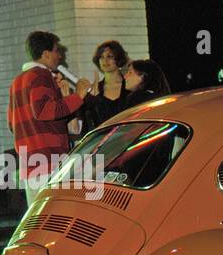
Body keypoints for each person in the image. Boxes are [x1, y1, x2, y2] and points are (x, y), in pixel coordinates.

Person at [7, 31, 91, 203]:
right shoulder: (41, 75)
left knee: (38, 221)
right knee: (58, 218)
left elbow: (12, 123)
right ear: (45, 54)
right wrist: (78, 96)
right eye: (56, 51)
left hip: (30, 163)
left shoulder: (18, 81)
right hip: (49, 160)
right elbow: (45, 111)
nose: (59, 56)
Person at [79, 39, 131, 133]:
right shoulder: (94, 90)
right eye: (101, 57)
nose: (105, 60)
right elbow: (86, 122)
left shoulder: (130, 86)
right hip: (102, 142)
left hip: (127, 139)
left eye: (109, 56)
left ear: (118, 59)